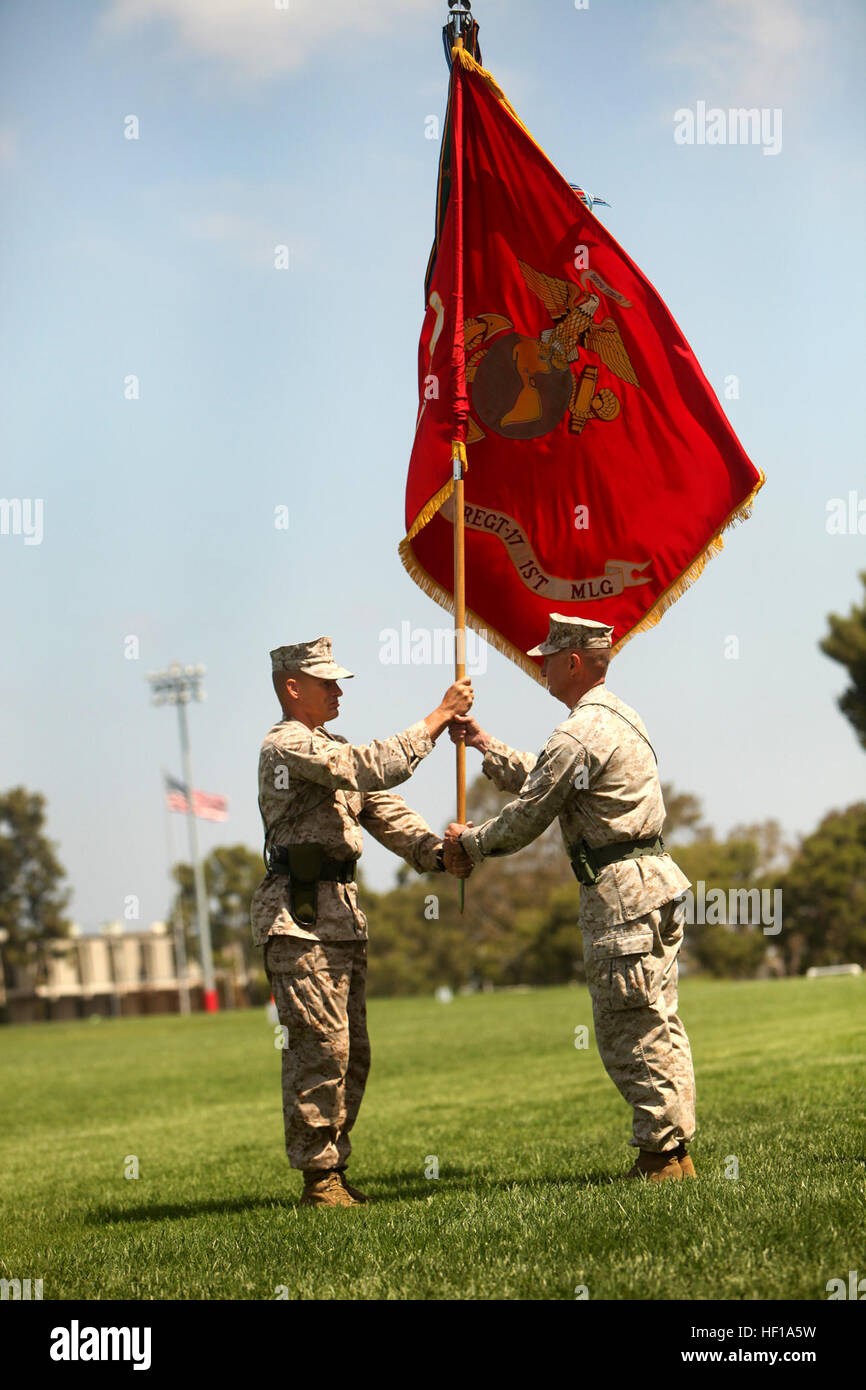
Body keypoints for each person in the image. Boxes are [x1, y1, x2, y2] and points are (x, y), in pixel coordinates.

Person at [447, 613, 697, 1182]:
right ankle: (674, 1150)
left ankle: (660, 1158)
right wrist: (486, 744)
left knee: (628, 1026)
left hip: (621, 895)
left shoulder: (578, 733)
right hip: (651, 883)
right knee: (657, 1020)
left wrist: (472, 843)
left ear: (574, 662)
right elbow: (552, 782)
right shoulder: (619, 717)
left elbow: (533, 810)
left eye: (548, 658)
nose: (541, 666)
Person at [251, 636, 474, 1208]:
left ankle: (335, 1169)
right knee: (319, 1049)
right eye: (325, 681)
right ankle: (318, 1179)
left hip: (340, 918)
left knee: (351, 1052)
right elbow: (372, 766)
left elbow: (385, 812)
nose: (337, 689)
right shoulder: (288, 746)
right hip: (299, 918)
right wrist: (439, 716)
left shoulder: (330, 747)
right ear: (291, 687)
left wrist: (436, 851)